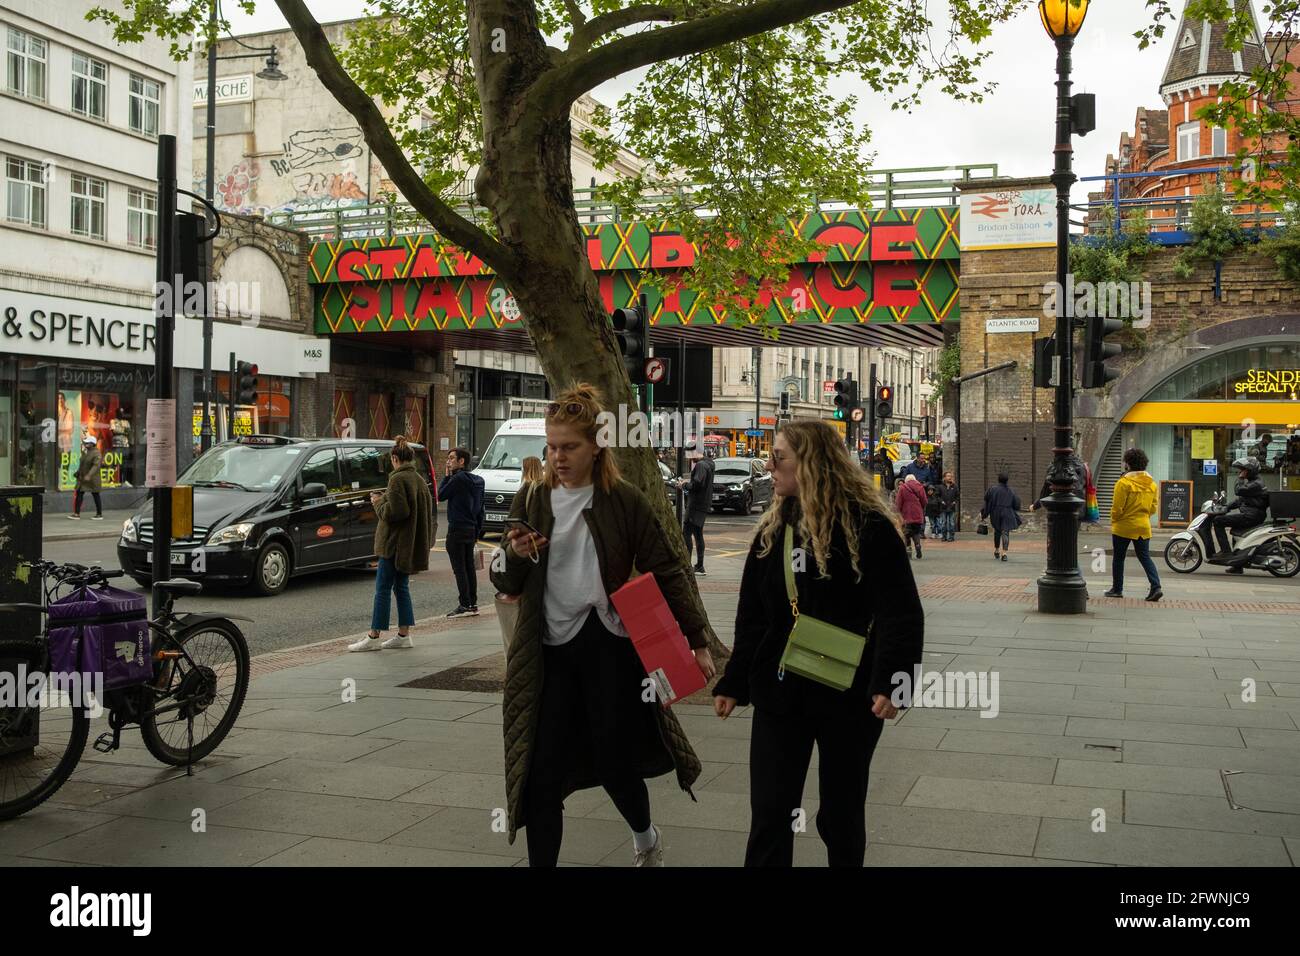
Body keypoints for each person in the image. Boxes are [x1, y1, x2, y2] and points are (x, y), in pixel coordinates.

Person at [489, 384, 716, 867]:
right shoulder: (533, 498)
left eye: (569, 446)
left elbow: (668, 569)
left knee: (616, 763)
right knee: (541, 776)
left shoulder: (624, 501)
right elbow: (503, 574)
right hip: (548, 652)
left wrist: (697, 640)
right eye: (551, 447)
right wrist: (515, 553)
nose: (558, 457)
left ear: (597, 446)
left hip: (609, 649)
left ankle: (646, 839)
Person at [712, 420, 924, 867]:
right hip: (780, 689)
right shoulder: (774, 530)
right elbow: (752, 616)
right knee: (771, 813)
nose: (769, 467)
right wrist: (733, 682)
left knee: (840, 815)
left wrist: (894, 682)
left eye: (778, 458)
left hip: (850, 693)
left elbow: (898, 611)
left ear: (811, 463)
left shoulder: (869, 528)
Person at [349, 436, 434, 651]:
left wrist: (378, 503)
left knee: (383, 588)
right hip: (409, 545)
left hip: (394, 545)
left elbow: (396, 512)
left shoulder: (397, 479)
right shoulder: (418, 480)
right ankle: (403, 635)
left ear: (395, 458)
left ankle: (374, 636)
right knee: (401, 588)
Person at [1104, 447, 1162, 601]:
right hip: (1143, 525)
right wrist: (1143, 517)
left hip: (1123, 526)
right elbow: (1153, 508)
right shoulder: (1152, 484)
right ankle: (1156, 586)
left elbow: (1117, 508)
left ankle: (1117, 589)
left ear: (1128, 464)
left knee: (1118, 558)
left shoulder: (1123, 483)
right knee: (1145, 557)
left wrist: (1114, 520)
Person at [439, 446, 485, 616]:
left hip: (457, 528)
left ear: (461, 461)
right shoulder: (478, 481)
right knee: (469, 568)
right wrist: (477, 531)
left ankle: (464, 604)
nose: (448, 462)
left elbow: (441, 495)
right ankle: (472, 603)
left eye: (451, 458)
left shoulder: (457, 479)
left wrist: (446, 477)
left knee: (460, 569)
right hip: (471, 528)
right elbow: (481, 508)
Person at [1212, 456, 1270, 573]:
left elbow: (1238, 490)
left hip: (1251, 516)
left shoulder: (1256, 484)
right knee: (1236, 532)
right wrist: (1226, 507)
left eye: (1244, 470)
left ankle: (1225, 552)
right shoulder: (1254, 482)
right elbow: (1241, 500)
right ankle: (1237, 565)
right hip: (1252, 514)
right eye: (1241, 470)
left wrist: (1240, 478)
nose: (1241, 472)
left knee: (1218, 521)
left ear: (1251, 470)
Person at [677, 447, 715, 575]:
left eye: (689, 454)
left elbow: (697, 484)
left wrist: (683, 485)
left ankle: (688, 564)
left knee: (686, 533)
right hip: (703, 504)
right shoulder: (709, 463)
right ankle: (699, 566)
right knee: (698, 534)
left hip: (695, 505)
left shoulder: (700, 465)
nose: (689, 458)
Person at [981, 472, 1021, 561]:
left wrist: (984, 514)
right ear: (1007, 480)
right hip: (1007, 513)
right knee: (1005, 532)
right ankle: (1004, 553)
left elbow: (987, 502)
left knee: (997, 531)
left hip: (995, 513)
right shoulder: (1011, 490)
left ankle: (996, 550)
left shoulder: (992, 489)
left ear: (998, 479)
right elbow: (1016, 504)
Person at [893, 473, 928, 559]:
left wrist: (897, 512)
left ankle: (908, 552)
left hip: (906, 514)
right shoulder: (920, 487)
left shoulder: (902, 488)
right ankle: (918, 545)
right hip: (917, 513)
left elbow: (898, 502)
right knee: (916, 532)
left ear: (906, 480)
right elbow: (925, 501)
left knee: (906, 533)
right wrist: (920, 507)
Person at [70, 435, 103, 519]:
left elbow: (96, 466)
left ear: (93, 444)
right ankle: (76, 514)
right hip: (83, 479)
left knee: (96, 494)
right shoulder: (86, 452)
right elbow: (82, 465)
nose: (85, 444)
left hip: (92, 479)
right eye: (85, 442)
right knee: (79, 493)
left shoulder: (96, 453)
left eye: (88, 443)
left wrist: (89, 475)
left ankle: (99, 514)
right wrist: (78, 473)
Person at [936, 471, 959, 542]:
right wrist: (941, 501)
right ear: (944, 478)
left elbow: (957, 496)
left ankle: (951, 536)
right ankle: (944, 536)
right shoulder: (940, 487)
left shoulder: (954, 487)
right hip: (943, 508)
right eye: (948, 476)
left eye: (951, 476)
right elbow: (937, 496)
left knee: (951, 523)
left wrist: (955, 502)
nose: (950, 477)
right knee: (943, 523)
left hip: (951, 507)